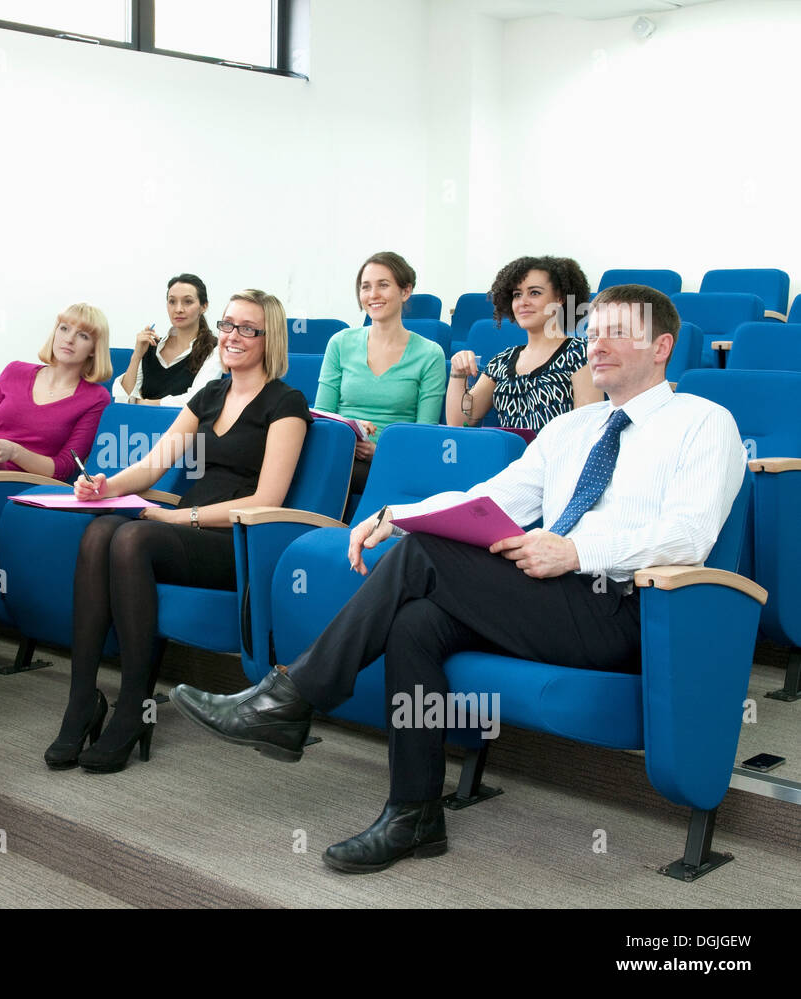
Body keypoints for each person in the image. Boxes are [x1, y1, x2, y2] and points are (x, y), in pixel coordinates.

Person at [170, 285, 744, 874]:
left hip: (623, 609)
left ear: (662, 346)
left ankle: (290, 697)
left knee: (427, 559)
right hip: (548, 597)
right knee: (418, 623)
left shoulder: (703, 423)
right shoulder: (573, 429)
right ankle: (413, 813)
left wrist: (575, 549)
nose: (596, 345)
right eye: (591, 332)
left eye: (616, 332)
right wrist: (396, 516)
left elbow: (688, 537)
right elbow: (490, 499)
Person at [46, 289, 311, 774]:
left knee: (131, 536)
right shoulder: (210, 394)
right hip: (184, 532)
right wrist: (105, 486)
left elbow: (267, 500)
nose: (232, 336)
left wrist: (176, 517)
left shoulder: (287, 403)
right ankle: (81, 701)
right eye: (228, 325)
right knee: (100, 529)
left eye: (247, 328)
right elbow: (152, 467)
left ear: (269, 338)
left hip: (235, 542)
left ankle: (132, 710)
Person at [315, 251, 446, 500]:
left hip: (394, 459)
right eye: (366, 287)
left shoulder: (430, 354)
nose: (372, 294)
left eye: (383, 285)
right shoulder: (340, 343)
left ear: (405, 292)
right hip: (341, 450)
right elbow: (322, 415)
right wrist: (349, 430)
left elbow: (425, 433)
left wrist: (381, 450)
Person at [446, 256, 604, 430]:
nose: (523, 302)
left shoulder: (580, 353)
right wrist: (457, 373)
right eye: (517, 295)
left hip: (559, 456)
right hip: (510, 456)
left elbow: (586, 428)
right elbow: (460, 423)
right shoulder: (502, 361)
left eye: (534, 293)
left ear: (560, 298)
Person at [0, 304, 112, 480]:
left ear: (93, 349)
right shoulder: (14, 371)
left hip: (17, 482)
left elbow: (65, 467)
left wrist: (14, 452)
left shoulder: (95, 398)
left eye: (82, 335)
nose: (69, 339)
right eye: (64, 329)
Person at [113, 273, 223, 407]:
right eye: (172, 301)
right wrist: (137, 356)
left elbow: (197, 399)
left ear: (203, 306)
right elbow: (123, 400)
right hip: (141, 426)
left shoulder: (215, 349)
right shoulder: (151, 346)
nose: (178, 309)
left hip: (186, 427)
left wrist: (147, 403)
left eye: (187, 301)